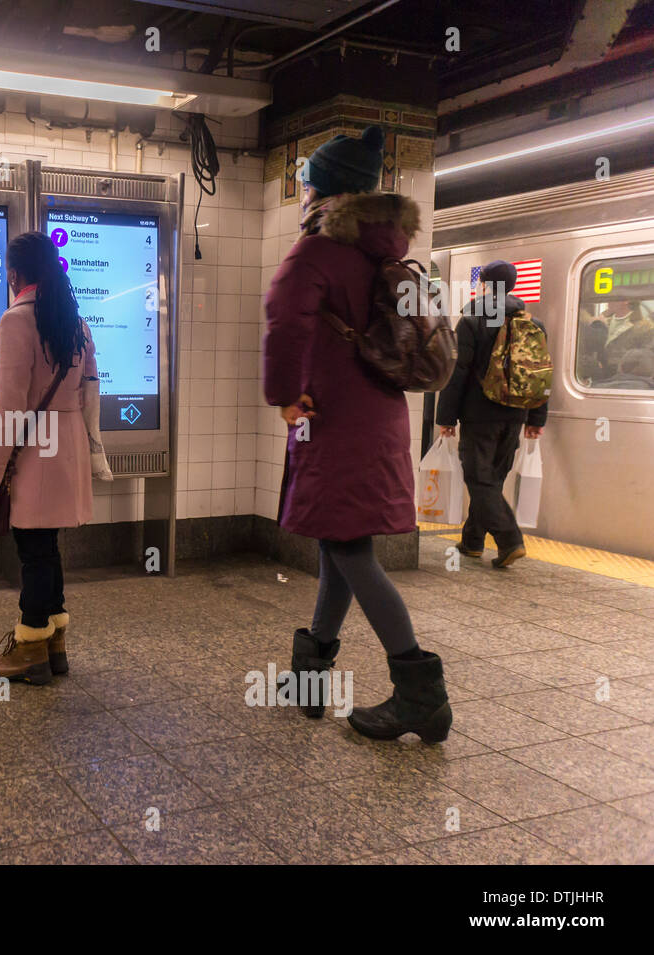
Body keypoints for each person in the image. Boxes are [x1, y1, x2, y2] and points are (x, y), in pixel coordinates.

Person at [263, 125, 451, 744]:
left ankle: (419, 694)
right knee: (336, 539)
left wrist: (284, 396)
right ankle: (312, 674)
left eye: (306, 182)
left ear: (321, 189)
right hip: (378, 415)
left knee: (348, 549)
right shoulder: (382, 248)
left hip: (335, 419)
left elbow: (284, 322)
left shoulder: (317, 250)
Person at [0, 232, 96, 685]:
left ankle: (29, 650)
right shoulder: (76, 323)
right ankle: (55, 642)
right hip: (67, 448)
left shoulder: (16, 321)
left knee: (34, 553)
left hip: (35, 453)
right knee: (47, 547)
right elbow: (86, 393)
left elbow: (8, 408)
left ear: (16, 273)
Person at [434, 260, 548, 569]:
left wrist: (446, 417)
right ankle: (472, 542)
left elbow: (457, 373)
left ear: (484, 285)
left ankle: (509, 540)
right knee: (491, 479)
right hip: (515, 415)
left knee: (478, 477)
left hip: (480, 415)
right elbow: (539, 374)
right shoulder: (533, 323)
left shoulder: (472, 320)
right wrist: (536, 419)